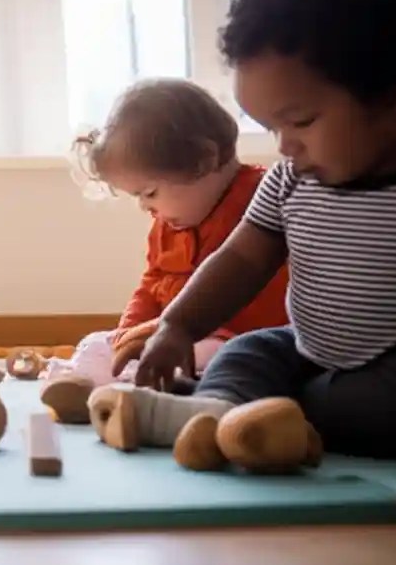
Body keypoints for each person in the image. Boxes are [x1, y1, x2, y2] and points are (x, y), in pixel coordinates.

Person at [95, 0, 396, 459]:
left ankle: (257, 418)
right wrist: (178, 325)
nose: (285, 147)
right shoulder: (291, 180)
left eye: (302, 122)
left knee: (381, 399)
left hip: (390, 371)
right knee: (251, 352)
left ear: (393, 97)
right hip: (306, 350)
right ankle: (221, 412)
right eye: (273, 128)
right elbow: (240, 258)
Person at [48, 78, 289, 386]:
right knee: (96, 345)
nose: (145, 208)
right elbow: (151, 286)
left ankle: (145, 389)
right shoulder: (168, 225)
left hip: (238, 342)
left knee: (218, 356)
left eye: (149, 192)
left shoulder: (261, 198)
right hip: (166, 336)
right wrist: (128, 336)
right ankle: (103, 385)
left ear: (204, 160)